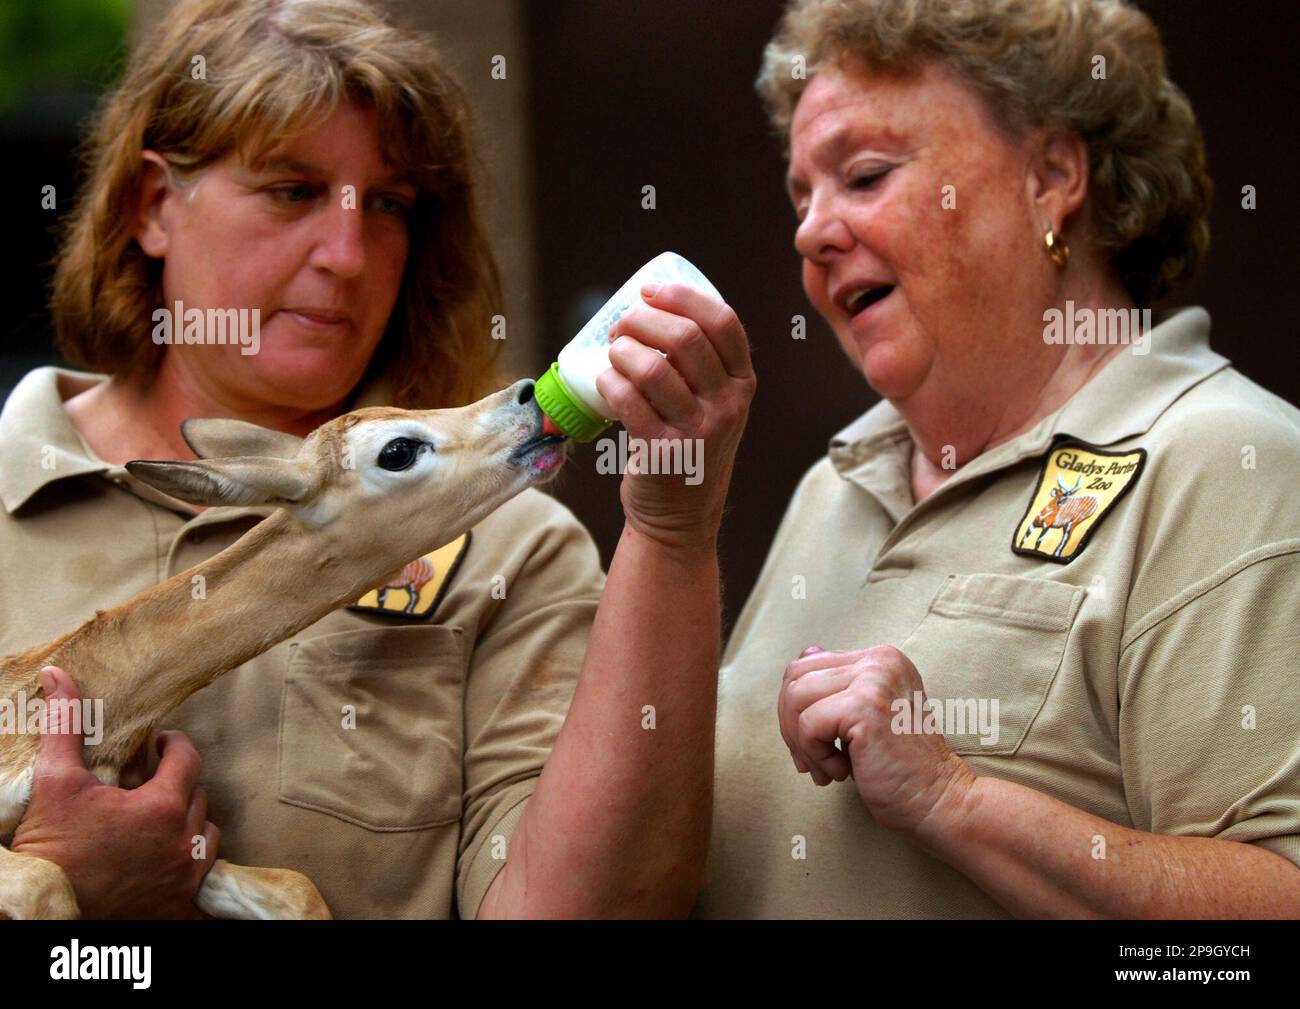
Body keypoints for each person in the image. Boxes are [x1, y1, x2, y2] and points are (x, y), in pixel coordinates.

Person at [0, 0, 754, 919]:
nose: (349, 256)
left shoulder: (514, 547)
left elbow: (585, 906)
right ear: (154, 206)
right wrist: (61, 884)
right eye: (292, 189)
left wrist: (673, 534)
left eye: (389, 205)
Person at [695, 0, 1300, 918]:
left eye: (863, 176)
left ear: (1051, 176)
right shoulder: (833, 484)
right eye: (801, 195)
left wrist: (954, 798)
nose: (811, 232)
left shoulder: (1229, 459)